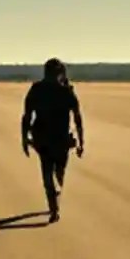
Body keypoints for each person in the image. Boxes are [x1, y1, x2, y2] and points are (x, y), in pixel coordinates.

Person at [22, 58, 84, 223]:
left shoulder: (66, 91)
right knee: (49, 174)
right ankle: (54, 208)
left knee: (57, 173)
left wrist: (81, 140)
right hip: (45, 140)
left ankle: (54, 197)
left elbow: (77, 117)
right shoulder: (38, 90)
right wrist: (24, 137)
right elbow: (27, 115)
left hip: (59, 140)